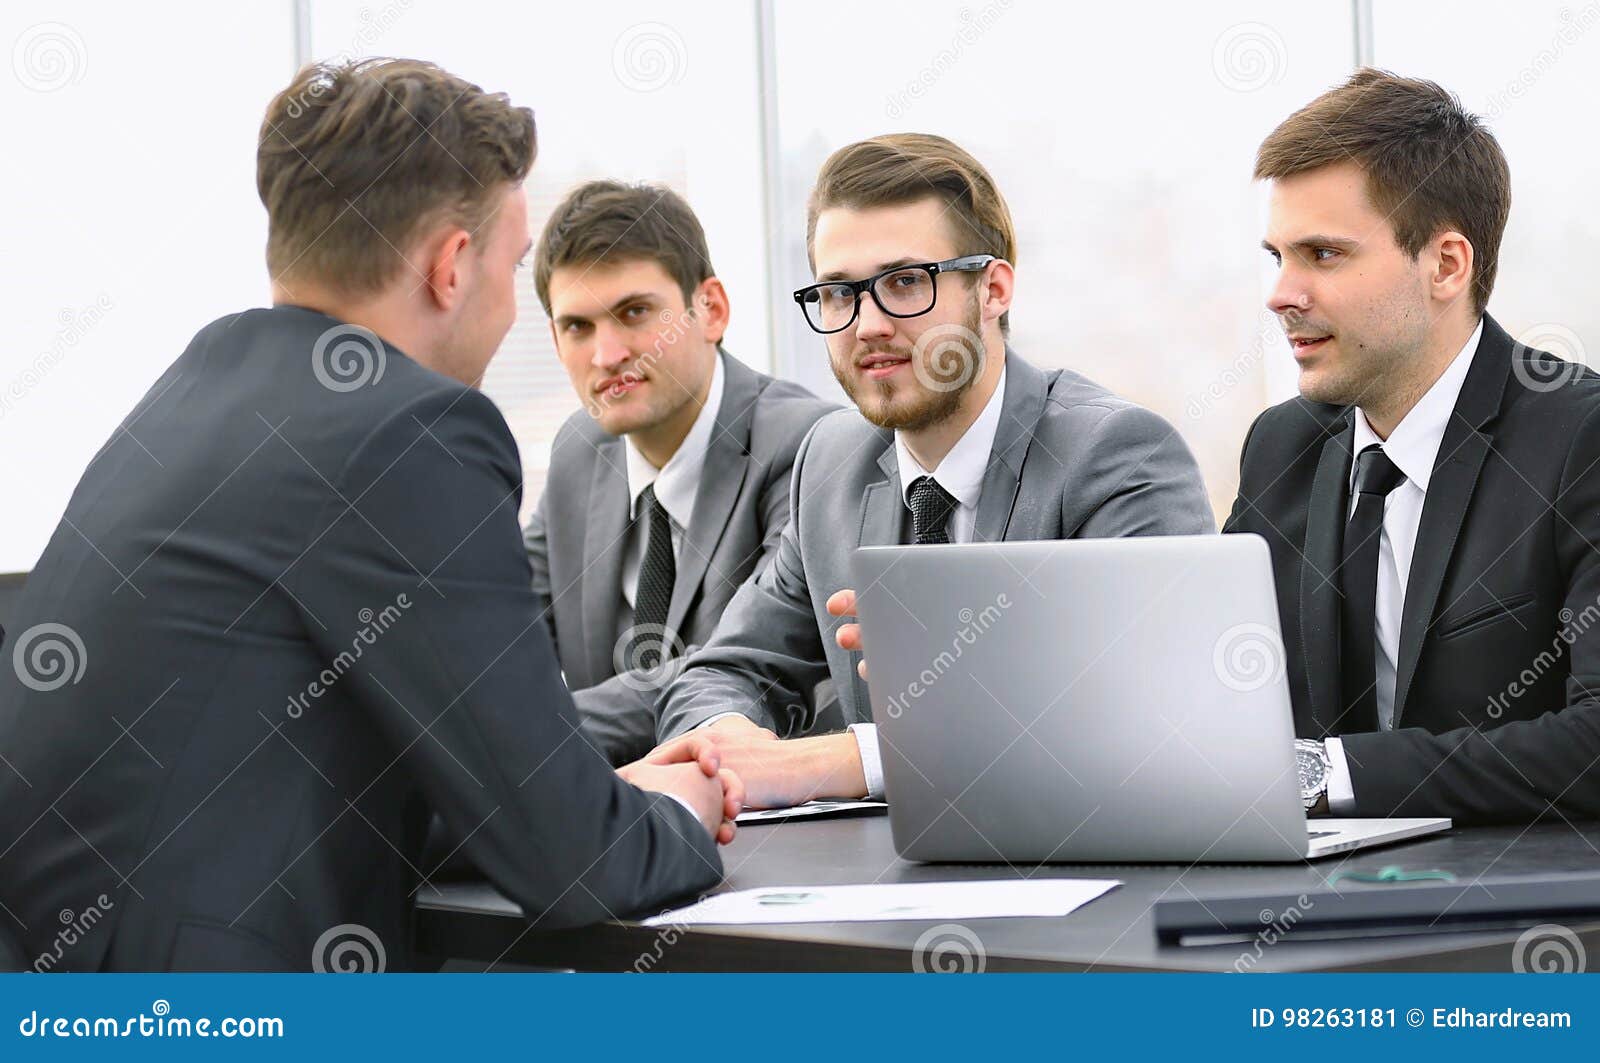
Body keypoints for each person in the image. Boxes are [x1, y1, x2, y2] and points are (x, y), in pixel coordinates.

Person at [0, 58, 740, 973]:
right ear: (451, 267)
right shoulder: (408, 429)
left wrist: (582, 796)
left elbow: (384, 766)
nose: (515, 308)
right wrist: (680, 812)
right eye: (514, 267)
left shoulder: (196, 390)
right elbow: (574, 863)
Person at [646, 133, 1214, 807]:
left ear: (994, 288)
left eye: (905, 282)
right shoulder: (829, 463)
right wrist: (728, 748)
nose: (868, 324)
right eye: (838, 292)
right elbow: (723, 670)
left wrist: (840, 760)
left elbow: (1151, 718)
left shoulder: (1116, 454)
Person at [1225, 69, 1600, 823]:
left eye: (1323, 255)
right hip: (1310, 908)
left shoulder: (1580, 438)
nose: (1281, 293)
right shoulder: (1281, 448)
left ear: (1446, 265)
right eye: (1277, 257)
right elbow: (1216, 703)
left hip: (1521, 912)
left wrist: (1325, 775)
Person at [524, 181, 835, 764]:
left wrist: (522, 737)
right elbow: (503, 634)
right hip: (612, 817)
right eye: (577, 326)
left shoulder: (807, 449)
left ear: (710, 309)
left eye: (634, 312)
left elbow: (732, 667)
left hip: (768, 822)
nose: (607, 354)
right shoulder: (577, 450)